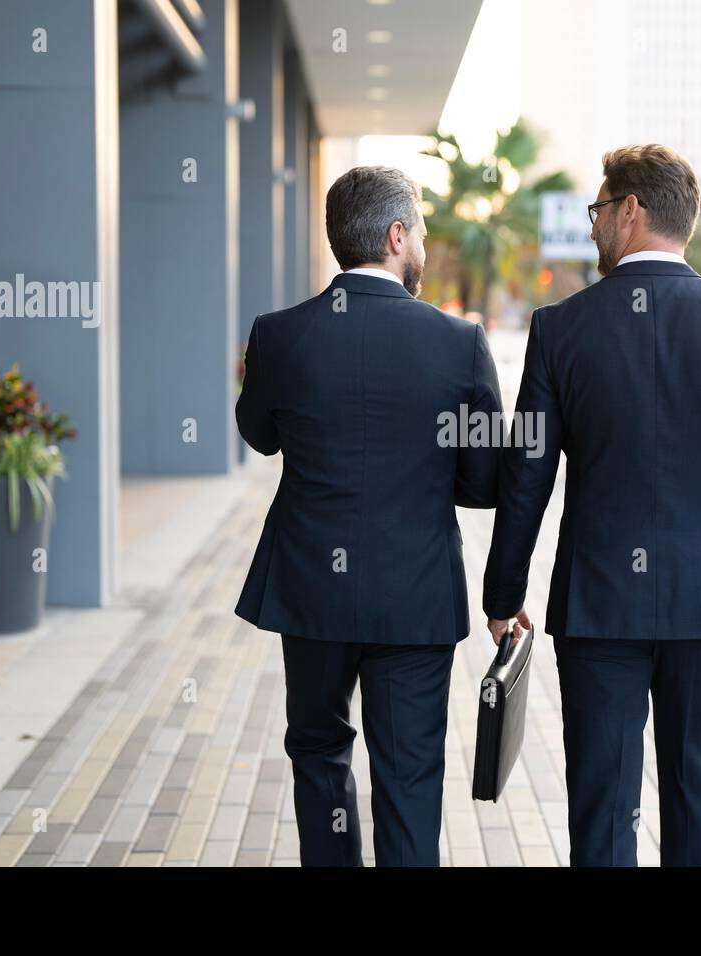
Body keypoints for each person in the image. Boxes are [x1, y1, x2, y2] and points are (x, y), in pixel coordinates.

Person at [482, 144, 701, 866]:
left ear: (629, 211)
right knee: (694, 780)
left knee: (604, 797)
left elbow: (528, 480)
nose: (596, 225)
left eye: (599, 210)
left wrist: (503, 594)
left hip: (598, 603)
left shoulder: (561, 329)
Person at [234, 165, 502, 866]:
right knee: (409, 774)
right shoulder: (459, 344)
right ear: (394, 234)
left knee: (319, 752)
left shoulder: (278, 335)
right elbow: (482, 483)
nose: (421, 243)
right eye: (418, 229)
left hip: (311, 592)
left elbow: (260, 436)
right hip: (414, 596)